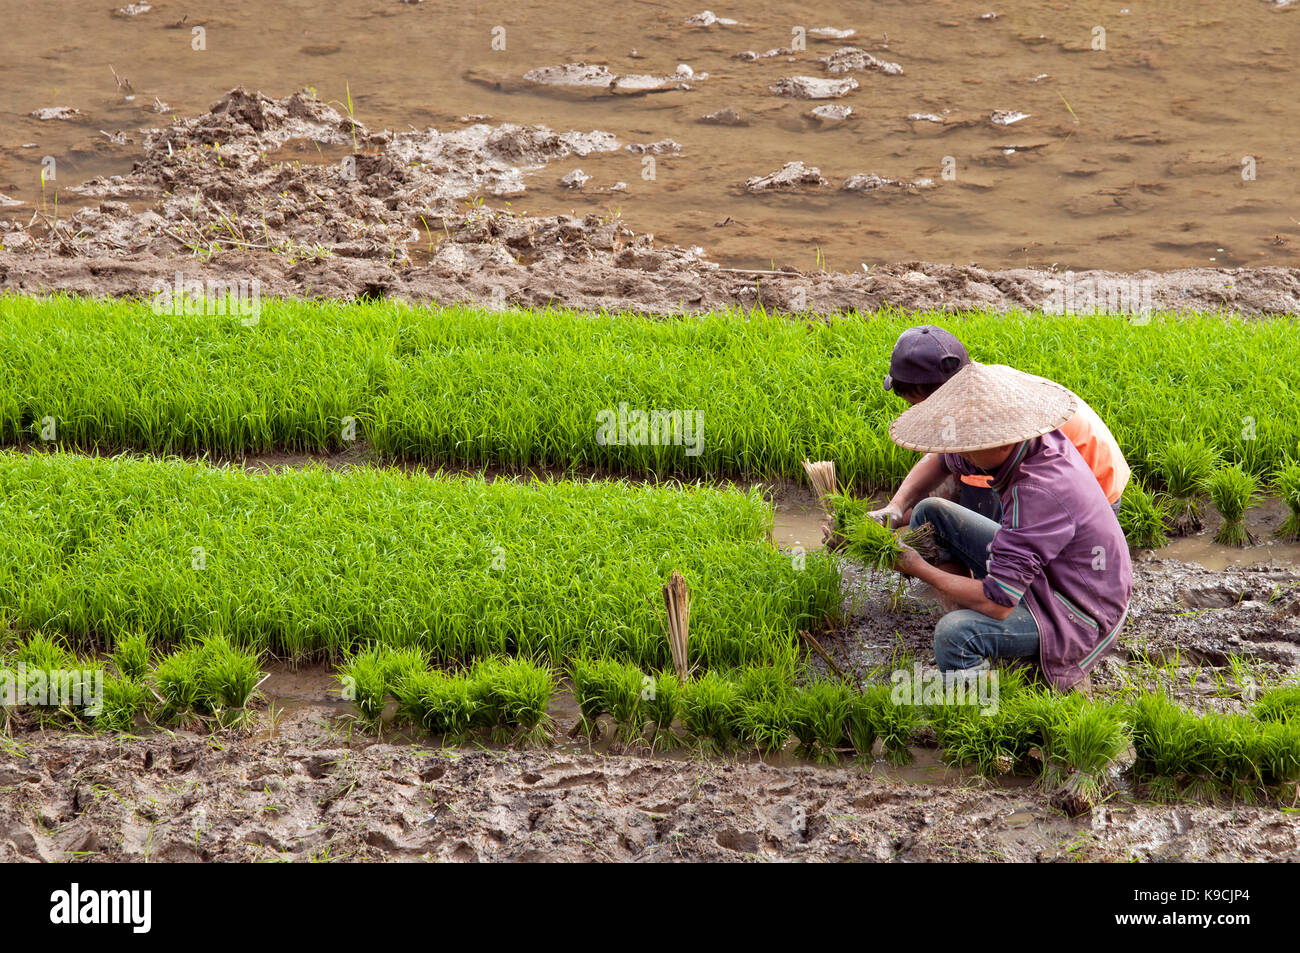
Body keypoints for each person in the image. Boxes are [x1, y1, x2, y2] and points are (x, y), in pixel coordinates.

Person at [879, 363, 1133, 690]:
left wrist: (917, 568)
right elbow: (942, 461)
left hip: (1080, 610)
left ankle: (986, 713)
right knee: (932, 515)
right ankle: (981, 630)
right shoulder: (1023, 441)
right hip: (1057, 572)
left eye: (969, 446)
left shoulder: (1037, 491)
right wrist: (894, 510)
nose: (961, 454)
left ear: (1001, 440)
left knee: (953, 635)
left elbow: (999, 603)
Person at [871, 325, 1130, 526]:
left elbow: (975, 513)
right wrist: (895, 507)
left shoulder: (986, 433)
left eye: (917, 405)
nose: (918, 413)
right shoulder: (976, 383)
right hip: (1091, 475)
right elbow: (942, 459)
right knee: (944, 496)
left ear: (934, 397)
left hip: (1094, 505)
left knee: (966, 546)